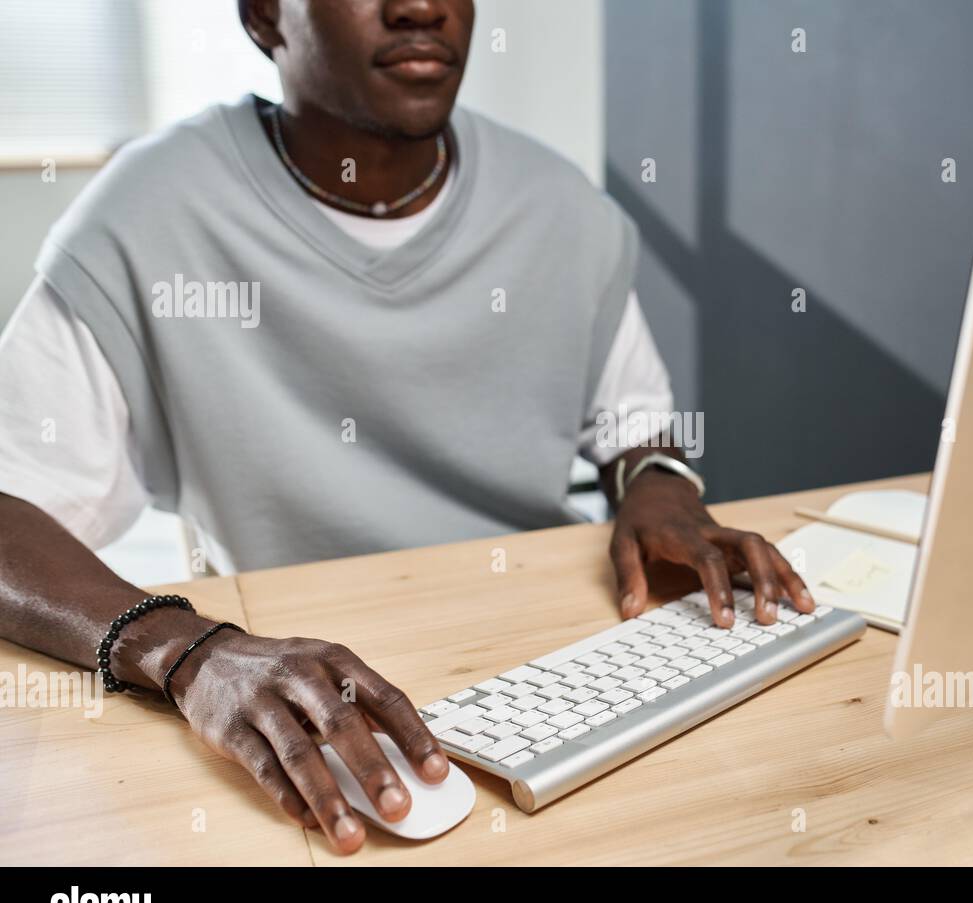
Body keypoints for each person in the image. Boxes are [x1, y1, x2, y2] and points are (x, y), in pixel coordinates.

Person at [0, 0, 814, 853]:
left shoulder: (559, 204)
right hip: (302, 685)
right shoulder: (146, 213)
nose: (420, 7)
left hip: (565, 648)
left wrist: (661, 486)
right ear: (265, 16)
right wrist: (187, 651)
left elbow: (637, 425)